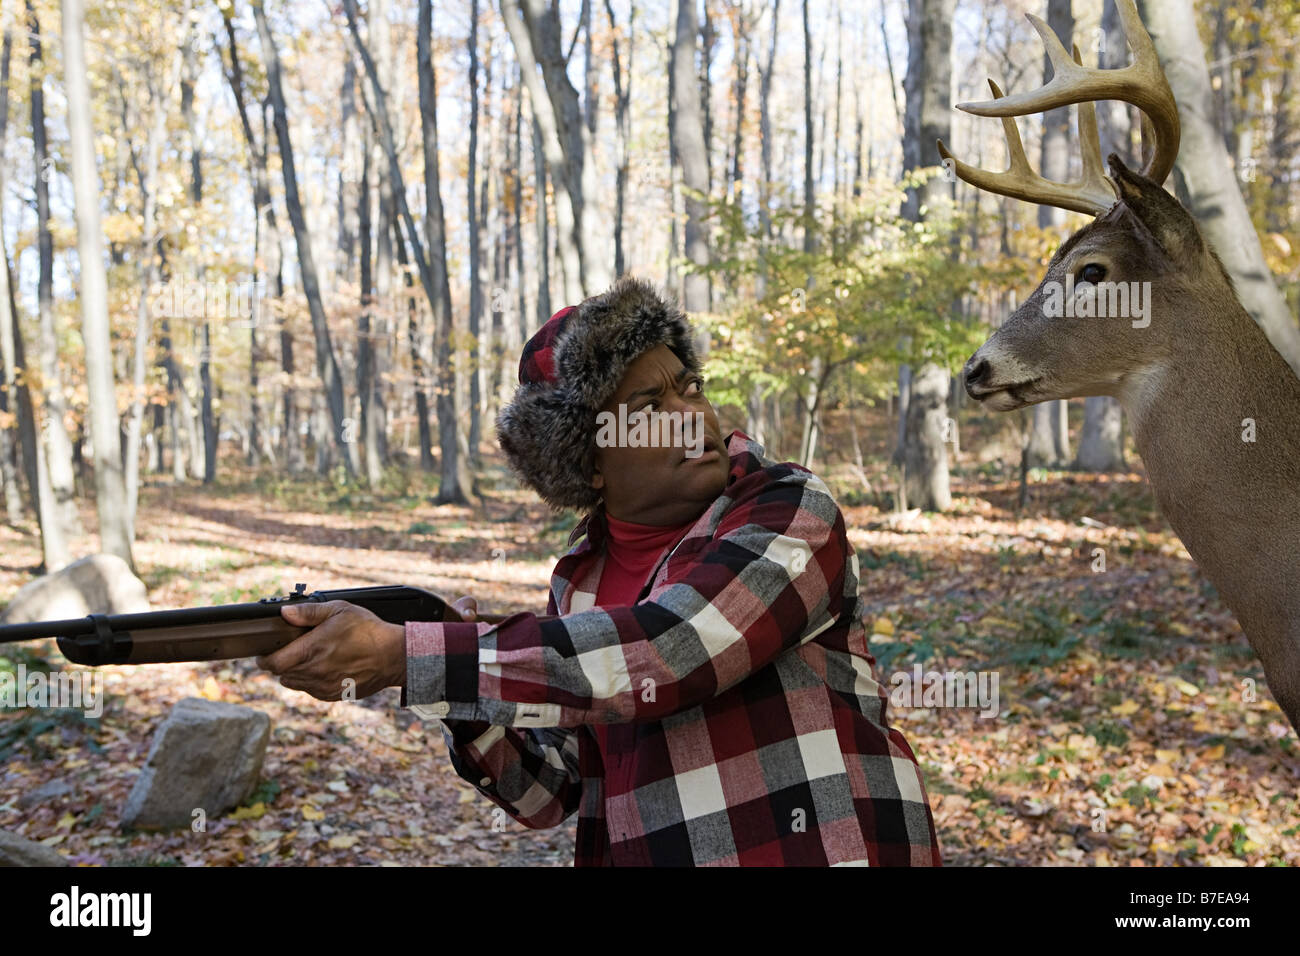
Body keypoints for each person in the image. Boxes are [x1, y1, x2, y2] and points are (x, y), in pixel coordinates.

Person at [260, 276, 942, 866]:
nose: (693, 414)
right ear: (587, 460)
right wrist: (454, 688)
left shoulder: (785, 506)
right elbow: (548, 794)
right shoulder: (578, 583)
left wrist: (411, 656)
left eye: (690, 387)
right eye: (649, 407)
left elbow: (672, 650)